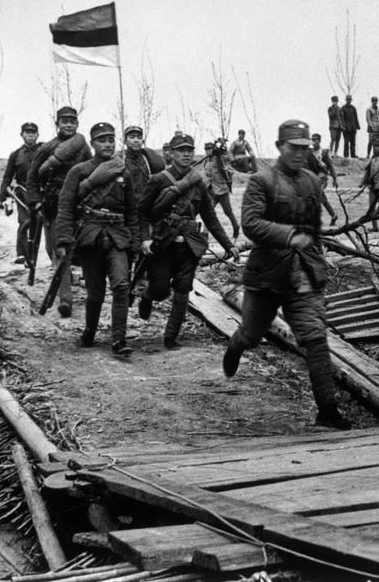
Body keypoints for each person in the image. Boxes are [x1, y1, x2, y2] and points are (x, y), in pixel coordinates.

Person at [222, 119, 351, 430]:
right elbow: (251, 223)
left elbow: (313, 227)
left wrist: (316, 256)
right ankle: (236, 346)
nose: (299, 153)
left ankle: (327, 412)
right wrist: (289, 235)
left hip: (303, 273)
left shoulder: (311, 181)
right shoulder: (261, 181)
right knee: (252, 333)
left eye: (305, 148)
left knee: (315, 337)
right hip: (267, 274)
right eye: (293, 147)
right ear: (280, 146)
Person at [138, 133, 237, 349]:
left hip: (189, 244)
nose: (185, 154)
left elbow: (210, 218)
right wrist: (145, 238)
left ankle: (170, 337)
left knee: (183, 289)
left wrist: (228, 245)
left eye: (189, 150)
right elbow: (142, 212)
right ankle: (147, 296)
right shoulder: (158, 180)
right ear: (171, 153)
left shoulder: (198, 183)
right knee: (161, 289)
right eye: (180, 150)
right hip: (162, 244)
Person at [55, 122, 139, 355]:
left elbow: (132, 212)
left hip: (118, 237)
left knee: (122, 286)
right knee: (96, 292)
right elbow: (65, 207)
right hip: (90, 236)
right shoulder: (79, 171)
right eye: (102, 140)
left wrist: (136, 241)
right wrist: (62, 240)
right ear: (92, 144)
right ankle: (90, 331)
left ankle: (119, 340)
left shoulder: (124, 173)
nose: (108, 144)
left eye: (111, 139)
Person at [26, 106, 92, 318]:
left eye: (72, 121)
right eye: (64, 121)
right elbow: (33, 178)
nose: (68, 125)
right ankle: (65, 299)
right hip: (53, 207)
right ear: (57, 124)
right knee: (56, 250)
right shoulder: (47, 149)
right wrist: (36, 204)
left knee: (84, 248)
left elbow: (92, 170)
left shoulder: (83, 148)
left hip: (79, 205)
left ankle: (85, 291)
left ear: (77, 124)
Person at [0, 122, 43, 264]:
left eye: (33, 132)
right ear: (21, 135)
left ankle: (34, 256)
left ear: (37, 135)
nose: (30, 135)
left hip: (40, 192)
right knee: (25, 222)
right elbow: (8, 176)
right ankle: (22, 254)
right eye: (27, 132)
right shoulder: (16, 155)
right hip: (22, 193)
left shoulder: (44, 151)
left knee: (40, 224)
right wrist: (1, 197)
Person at [204, 140, 239, 239]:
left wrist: (227, 171)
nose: (208, 151)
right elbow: (207, 176)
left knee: (228, 211)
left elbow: (231, 170)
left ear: (213, 149)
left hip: (222, 191)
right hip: (212, 191)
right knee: (209, 212)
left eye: (209, 149)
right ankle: (205, 232)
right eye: (206, 149)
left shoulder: (220, 158)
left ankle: (236, 227)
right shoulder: (206, 161)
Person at [123, 125, 165, 204]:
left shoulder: (150, 158)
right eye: (132, 137)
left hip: (149, 205)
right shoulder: (121, 162)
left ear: (143, 141)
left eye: (139, 137)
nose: (136, 140)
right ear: (125, 141)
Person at [308, 133, 340, 226]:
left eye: (316, 139)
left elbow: (331, 166)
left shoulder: (324, 152)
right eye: (312, 139)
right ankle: (334, 216)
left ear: (319, 141)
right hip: (313, 178)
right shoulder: (309, 153)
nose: (314, 141)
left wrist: (335, 179)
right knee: (322, 199)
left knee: (316, 195)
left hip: (322, 178)